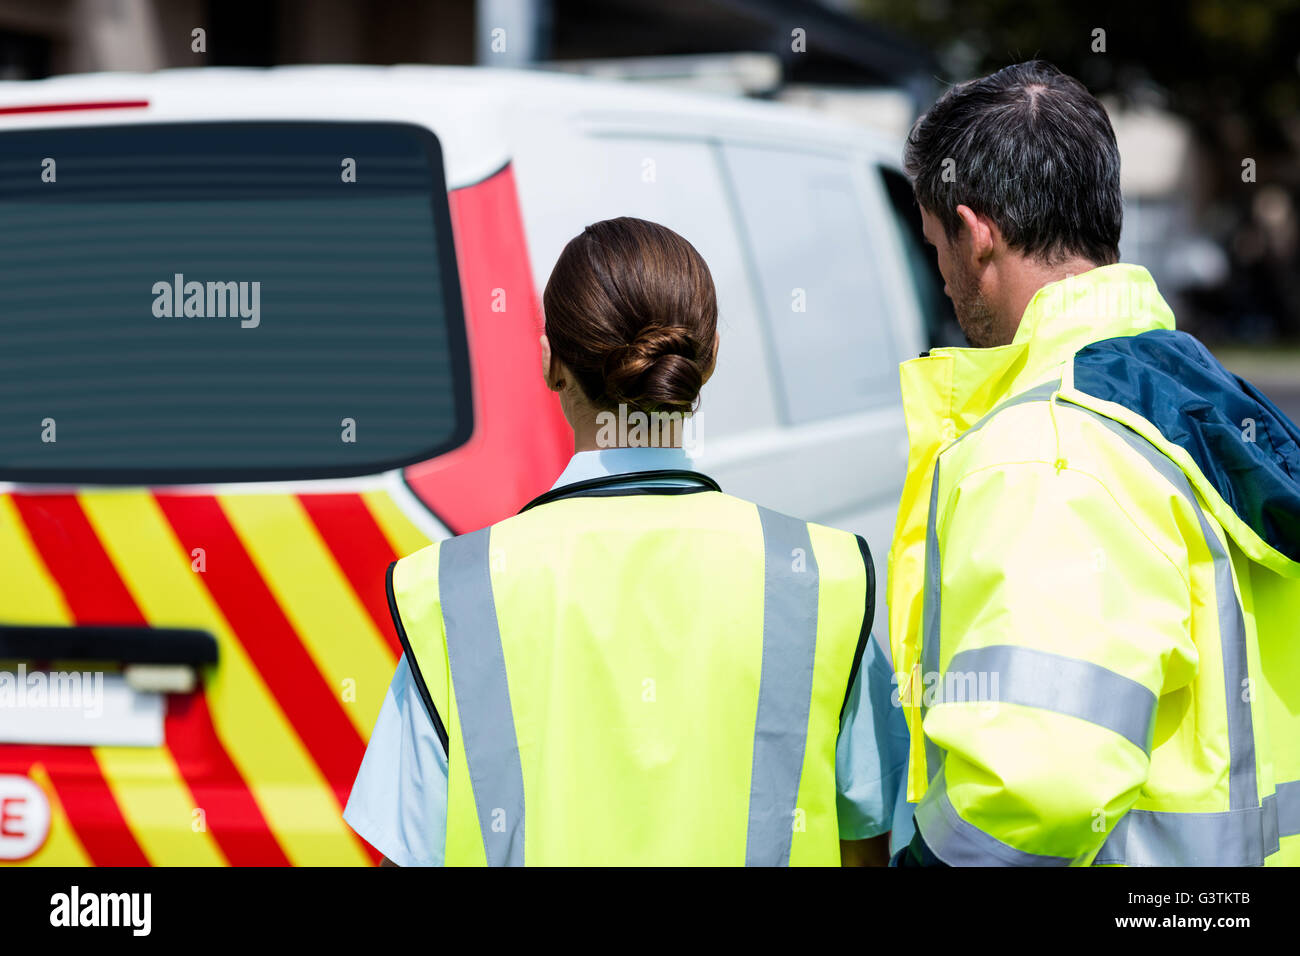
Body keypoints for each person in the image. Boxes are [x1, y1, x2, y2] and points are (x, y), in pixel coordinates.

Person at [344, 216, 909, 865]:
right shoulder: (820, 579)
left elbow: (406, 851)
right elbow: (867, 836)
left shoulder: (459, 594)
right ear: (711, 356)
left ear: (552, 363)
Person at [888, 60, 1300, 866]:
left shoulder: (1046, 447)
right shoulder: (1203, 396)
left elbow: (1036, 783)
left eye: (935, 246)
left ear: (976, 236)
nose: (938, 273)